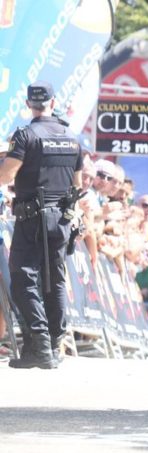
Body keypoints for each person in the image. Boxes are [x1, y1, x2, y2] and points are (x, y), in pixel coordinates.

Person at [0, 81, 83, 369]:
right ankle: (55, 344)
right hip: (62, 218)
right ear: (53, 101)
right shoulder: (72, 137)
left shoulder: (25, 135)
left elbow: (6, 176)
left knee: (23, 277)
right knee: (55, 280)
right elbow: (79, 185)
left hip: (31, 217)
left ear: (28, 105)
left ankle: (40, 345)